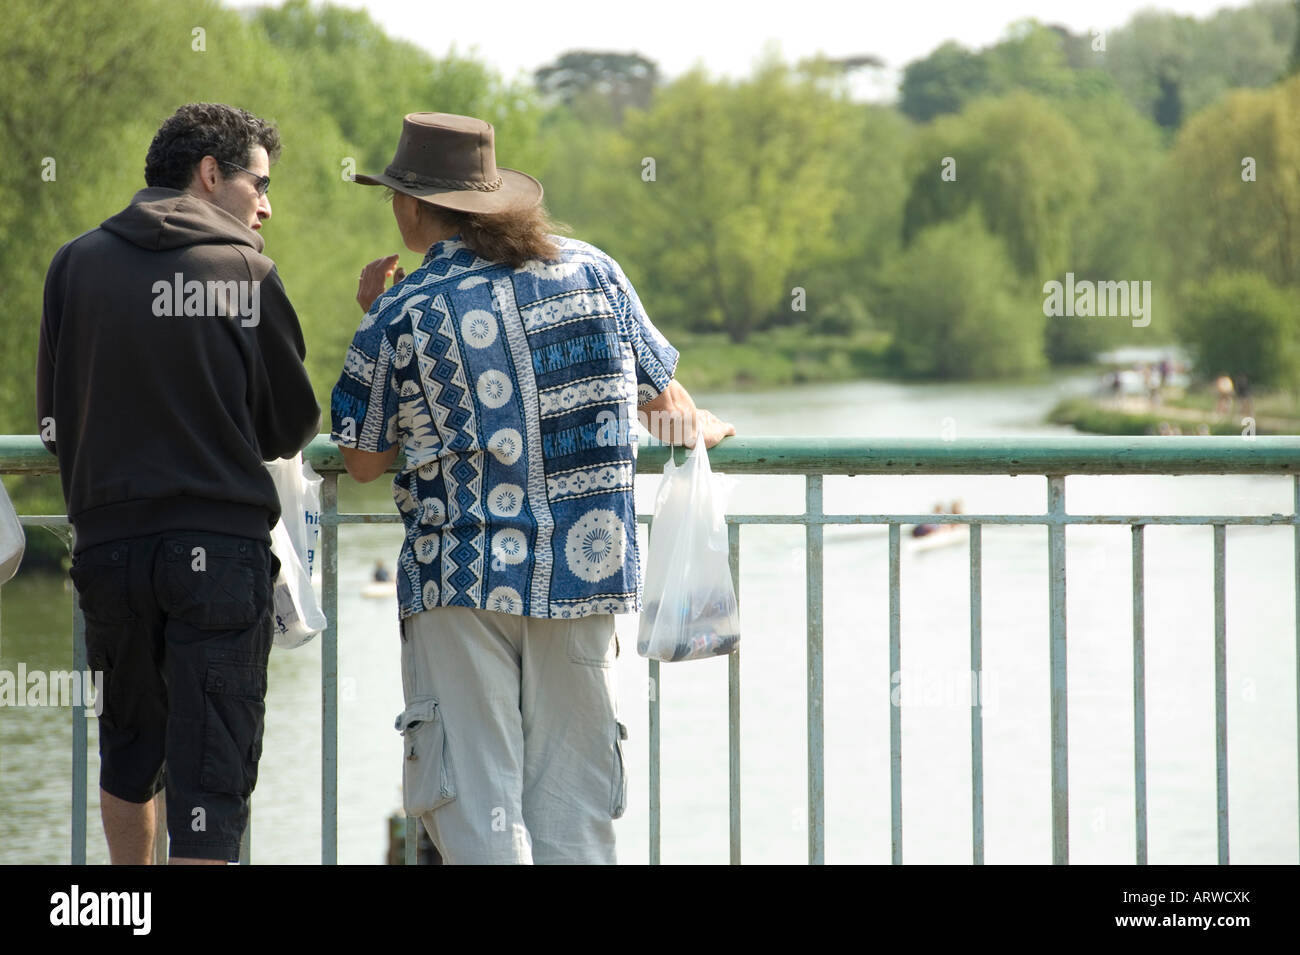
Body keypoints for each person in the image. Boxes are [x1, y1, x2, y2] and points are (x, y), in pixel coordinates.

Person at [331, 112, 734, 864]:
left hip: (460, 581)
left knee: (479, 806)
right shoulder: (594, 271)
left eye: (392, 194)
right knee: (575, 808)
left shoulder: (403, 308)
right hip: (585, 576)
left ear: (416, 207)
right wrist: (700, 425)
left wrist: (373, 314)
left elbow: (360, 460)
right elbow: (669, 410)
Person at [36, 103, 320, 864]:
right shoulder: (247, 272)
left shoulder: (75, 264)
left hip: (108, 547)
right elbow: (288, 429)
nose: (268, 203)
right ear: (208, 175)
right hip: (217, 553)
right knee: (211, 773)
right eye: (258, 183)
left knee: (130, 750)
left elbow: (54, 416)